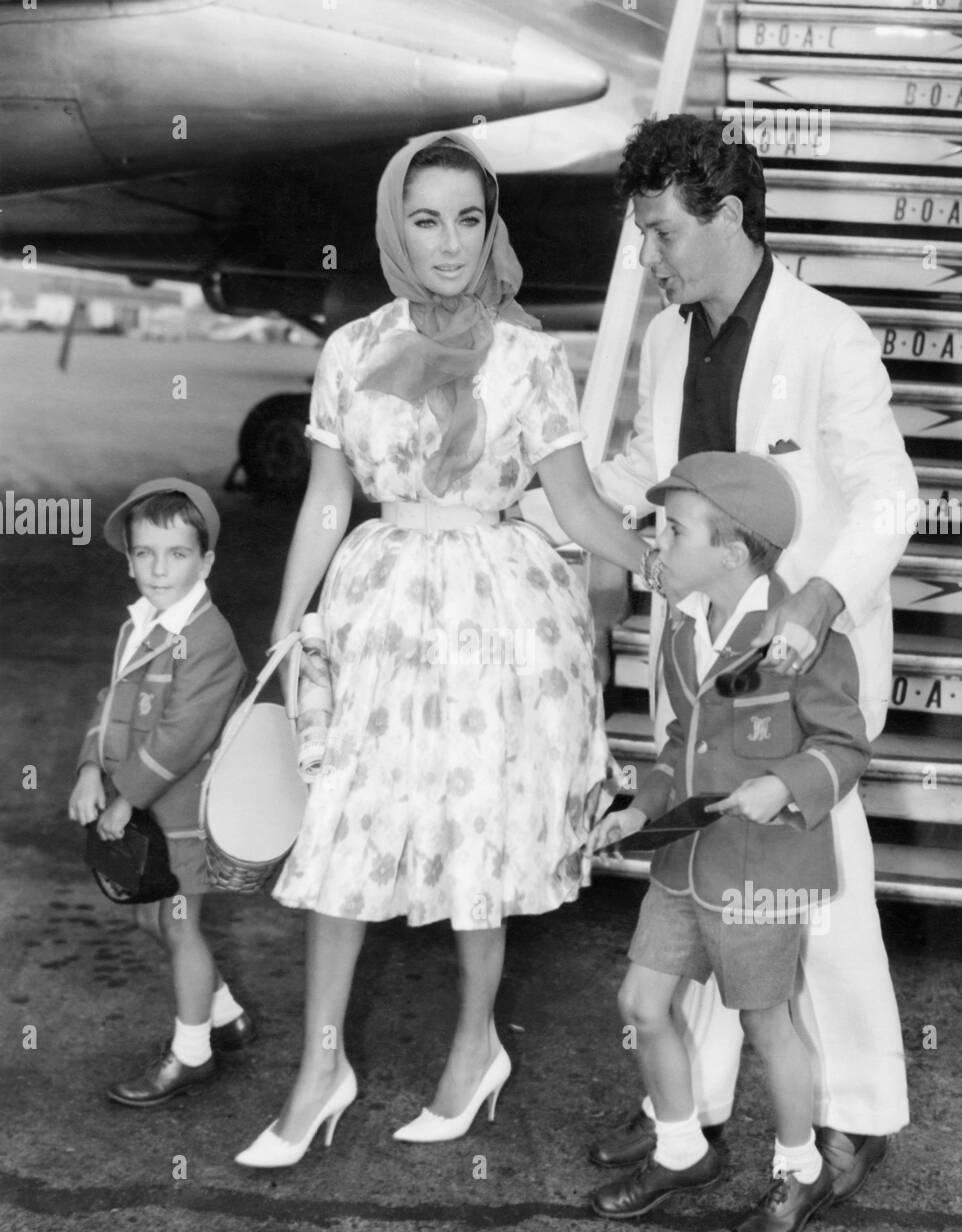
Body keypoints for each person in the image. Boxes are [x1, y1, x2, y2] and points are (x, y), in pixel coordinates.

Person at [235, 130, 652, 1169]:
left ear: (489, 223)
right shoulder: (351, 350)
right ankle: (318, 1067)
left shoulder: (528, 358)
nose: (451, 242)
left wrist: (670, 564)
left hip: (496, 619)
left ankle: (473, 1051)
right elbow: (329, 498)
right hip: (378, 611)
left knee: (478, 835)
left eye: (469, 217)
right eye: (426, 218)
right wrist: (289, 622)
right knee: (338, 832)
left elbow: (575, 504)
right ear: (394, 227)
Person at [589, 114, 914, 1201]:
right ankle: (690, 1112)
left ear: (726, 217)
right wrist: (548, 497)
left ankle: (848, 1113)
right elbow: (645, 465)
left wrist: (817, 602)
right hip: (697, 649)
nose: (649, 256)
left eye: (662, 233)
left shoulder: (829, 334)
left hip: (799, 662)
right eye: (642, 235)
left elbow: (887, 495)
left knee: (819, 903)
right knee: (696, 875)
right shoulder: (664, 338)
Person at [588, 451, 873, 1232]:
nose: (657, 542)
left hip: (764, 872)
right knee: (642, 1004)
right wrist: (635, 807)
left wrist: (785, 784)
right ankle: (680, 1149)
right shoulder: (685, 627)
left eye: (673, 529)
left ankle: (799, 1167)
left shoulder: (800, 638)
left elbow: (846, 748)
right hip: (685, 859)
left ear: (732, 549)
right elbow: (680, 741)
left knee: (767, 1025)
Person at [68, 479, 251, 1106]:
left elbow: (181, 737)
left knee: (178, 923)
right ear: (128, 558)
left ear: (205, 562)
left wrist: (125, 798)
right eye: (145, 553)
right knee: (155, 919)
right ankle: (223, 1011)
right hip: (143, 811)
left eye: (176, 555)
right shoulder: (140, 623)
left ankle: (191, 1053)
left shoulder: (207, 639)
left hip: (182, 813)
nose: (158, 568)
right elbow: (110, 698)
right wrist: (91, 766)